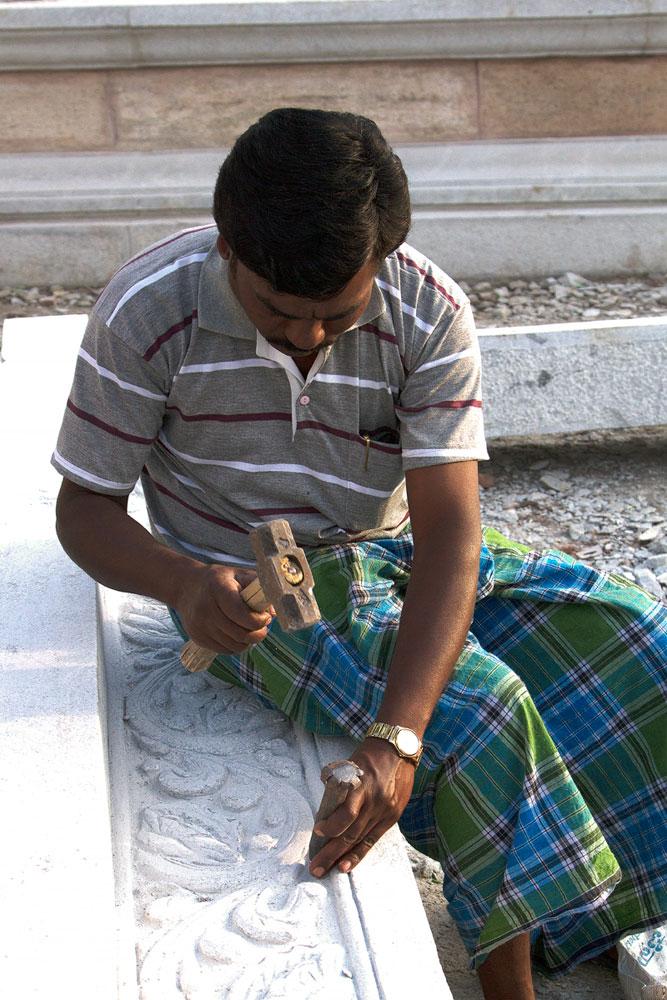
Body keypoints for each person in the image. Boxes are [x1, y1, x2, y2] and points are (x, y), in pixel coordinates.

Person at [53, 108, 666, 1000]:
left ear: (379, 260)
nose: (306, 337)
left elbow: (452, 536)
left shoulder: (426, 307)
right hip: (258, 593)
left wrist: (393, 736)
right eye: (278, 311)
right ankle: (509, 986)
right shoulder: (149, 309)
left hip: (397, 553)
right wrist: (184, 585)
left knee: (633, 641)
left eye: (335, 315)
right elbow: (85, 509)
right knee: (484, 712)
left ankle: (585, 923)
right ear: (229, 247)